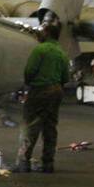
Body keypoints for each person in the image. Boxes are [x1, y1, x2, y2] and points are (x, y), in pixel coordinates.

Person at [14, 21, 70, 173]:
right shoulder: (61, 52)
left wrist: (27, 85)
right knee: (50, 127)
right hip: (56, 91)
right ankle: (48, 163)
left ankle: (23, 162)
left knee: (30, 125)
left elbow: (30, 70)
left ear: (46, 33)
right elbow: (66, 76)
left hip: (40, 90)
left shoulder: (40, 50)